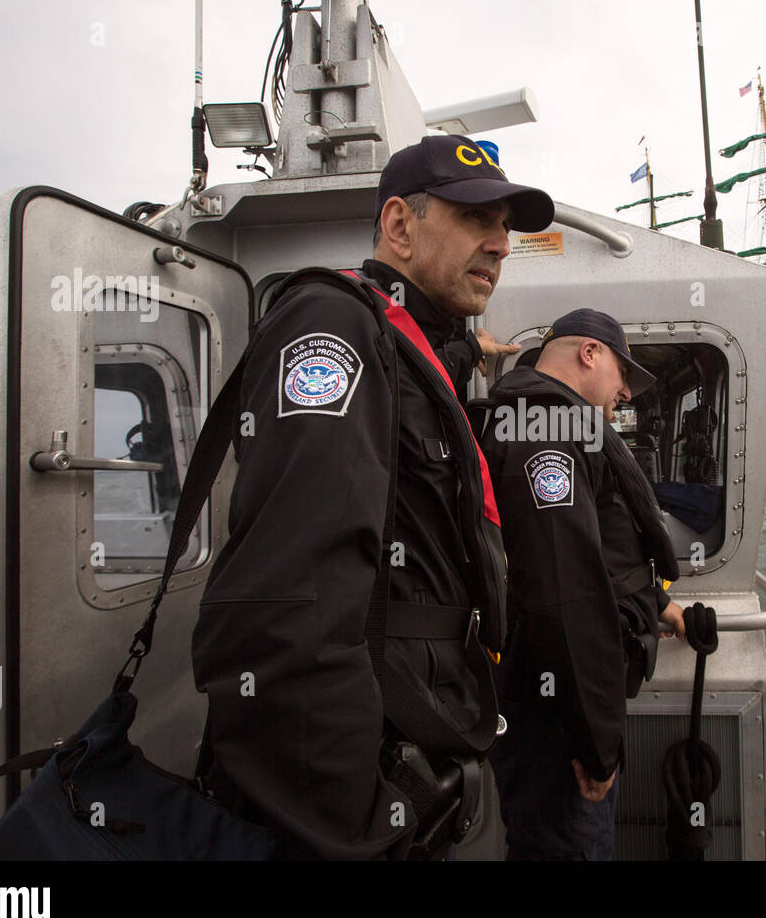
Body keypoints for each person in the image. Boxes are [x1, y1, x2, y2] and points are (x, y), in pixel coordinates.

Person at [191, 135, 554, 859]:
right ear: (398, 226)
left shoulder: (411, 344)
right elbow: (289, 596)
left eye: (507, 228)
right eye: (477, 220)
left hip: (424, 739)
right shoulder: (332, 328)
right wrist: (346, 824)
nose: (502, 245)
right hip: (349, 802)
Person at [479, 308, 684, 860]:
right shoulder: (544, 434)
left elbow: (598, 553)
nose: (624, 394)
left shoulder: (557, 425)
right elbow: (564, 599)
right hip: (556, 723)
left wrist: (661, 606)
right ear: (590, 354)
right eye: (623, 375)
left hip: (566, 710)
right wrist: (597, 749)